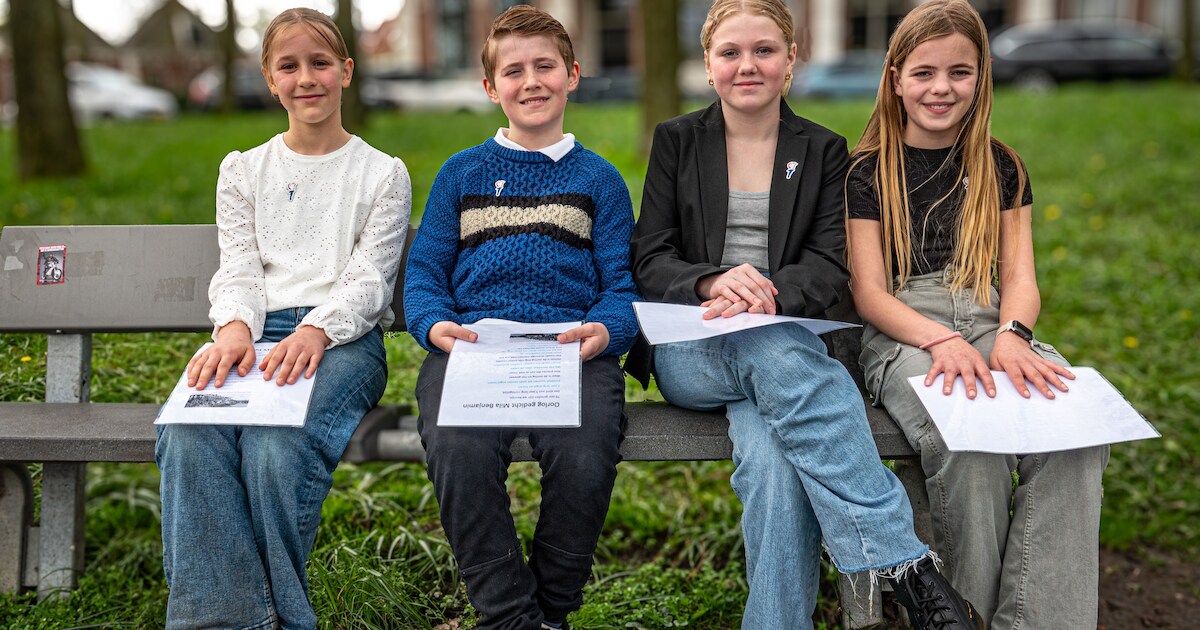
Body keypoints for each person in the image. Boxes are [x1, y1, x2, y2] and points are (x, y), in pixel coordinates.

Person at [627, 1, 984, 629]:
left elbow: (827, 263)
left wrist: (765, 294)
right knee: (771, 351)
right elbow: (651, 256)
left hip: (784, 344)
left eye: (764, 50)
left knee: (773, 460)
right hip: (694, 347)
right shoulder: (677, 140)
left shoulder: (821, 148)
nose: (747, 65)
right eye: (730, 52)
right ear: (708, 64)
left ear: (791, 59)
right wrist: (712, 281)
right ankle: (907, 565)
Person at [845, 1, 1108, 627]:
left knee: (1077, 433)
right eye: (924, 73)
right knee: (970, 440)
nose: (941, 88)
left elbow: (1019, 278)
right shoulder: (866, 172)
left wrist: (1014, 335)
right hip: (904, 331)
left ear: (982, 75)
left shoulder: (1002, 165)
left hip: (991, 319)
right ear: (895, 78)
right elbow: (869, 294)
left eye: (959, 72)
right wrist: (939, 340)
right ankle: (968, 616)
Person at [154, 8, 411, 628]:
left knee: (274, 448)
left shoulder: (382, 173)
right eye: (288, 66)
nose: (306, 78)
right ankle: (241, 619)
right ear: (270, 80)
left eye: (320, 63)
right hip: (252, 333)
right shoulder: (244, 170)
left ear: (346, 71)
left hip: (341, 343)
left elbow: (369, 279)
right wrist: (234, 327)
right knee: (187, 432)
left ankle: (252, 617)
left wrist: (315, 329)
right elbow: (239, 263)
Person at [403, 6, 640, 630]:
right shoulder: (461, 174)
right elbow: (424, 273)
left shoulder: (600, 180)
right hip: (472, 348)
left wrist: (606, 329)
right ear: (491, 87)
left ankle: (553, 609)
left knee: (585, 453)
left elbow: (622, 285)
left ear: (572, 75)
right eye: (513, 71)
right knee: (457, 448)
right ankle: (509, 615)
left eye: (545, 66)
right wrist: (433, 325)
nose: (531, 81)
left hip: (570, 350)